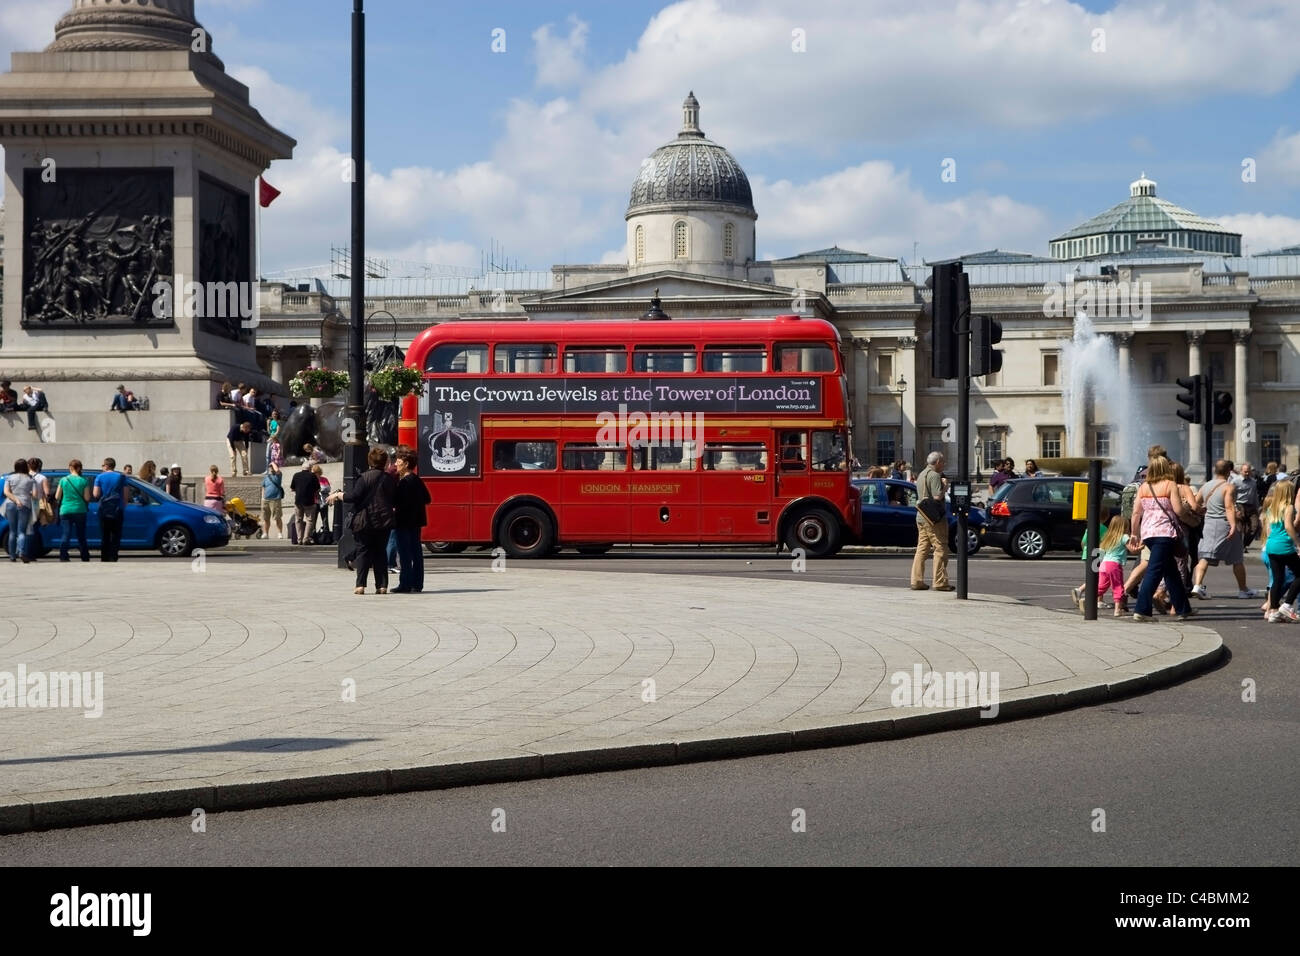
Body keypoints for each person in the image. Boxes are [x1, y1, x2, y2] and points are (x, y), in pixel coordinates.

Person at [1130, 455, 1193, 622]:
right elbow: (1178, 510)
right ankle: (1141, 610)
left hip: (1148, 534)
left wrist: (1134, 534)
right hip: (1164, 533)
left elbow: (1136, 513)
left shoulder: (1144, 487)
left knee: (1171, 572)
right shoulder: (1170, 485)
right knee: (1154, 571)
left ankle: (1183, 608)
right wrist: (1191, 518)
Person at [327, 447, 397, 594]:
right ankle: (382, 585)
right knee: (380, 553)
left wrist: (338, 495)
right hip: (384, 521)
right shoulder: (389, 479)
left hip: (365, 521)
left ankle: (360, 585)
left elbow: (353, 497)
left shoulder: (364, 478)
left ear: (369, 461)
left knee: (363, 552)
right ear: (384, 462)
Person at [1192, 459, 1257, 599]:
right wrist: (1233, 524)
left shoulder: (1206, 485)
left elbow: (1195, 504)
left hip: (1209, 524)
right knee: (1236, 558)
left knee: (1206, 556)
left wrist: (1204, 511)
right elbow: (1229, 507)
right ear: (1229, 471)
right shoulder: (1229, 487)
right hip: (1224, 524)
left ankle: (1198, 585)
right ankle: (1242, 589)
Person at [910, 451, 953, 592]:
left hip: (921, 516)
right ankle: (940, 582)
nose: (944, 464)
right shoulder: (935, 475)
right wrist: (945, 487)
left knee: (922, 549)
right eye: (943, 462)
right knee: (940, 548)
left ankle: (916, 580)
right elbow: (936, 496)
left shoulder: (922, 474)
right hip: (933, 519)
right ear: (938, 462)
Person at [391, 451, 432, 593]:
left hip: (403, 521)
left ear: (406, 464)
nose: (396, 464)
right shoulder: (417, 480)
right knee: (416, 553)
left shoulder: (403, 482)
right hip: (417, 521)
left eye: (398, 461)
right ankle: (417, 583)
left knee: (404, 554)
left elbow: (396, 501)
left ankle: (405, 584)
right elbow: (427, 498)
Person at [1261, 480, 1300, 622]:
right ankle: (1288, 605)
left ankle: (1273, 610)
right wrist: (1298, 543)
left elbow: (1269, 528)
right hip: (1285, 546)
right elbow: (1289, 527)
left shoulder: (1272, 506)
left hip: (1272, 545)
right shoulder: (1288, 507)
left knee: (1278, 579)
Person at [55, 458, 92, 561]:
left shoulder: (63, 480)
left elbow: (57, 496)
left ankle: (63, 556)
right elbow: (87, 498)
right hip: (80, 510)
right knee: (81, 535)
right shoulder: (83, 481)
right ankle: (84, 556)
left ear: (70, 468)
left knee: (66, 534)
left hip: (65, 510)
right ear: (79, 468)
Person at [92, 457, 128, 562]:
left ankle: (104, 557)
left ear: (107, 465)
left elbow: (96, 494)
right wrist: (122, 506)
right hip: (117, 509)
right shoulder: (121, 477)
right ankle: (114, 556)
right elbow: (126, 496)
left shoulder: (99, 477)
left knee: (105, 535)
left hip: (104, 510)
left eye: (103, 465)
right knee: (116, 535)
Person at [3, 459, 35, 563]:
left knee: (12, 531)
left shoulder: (9, 478)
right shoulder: (30, 479)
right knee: (21, 531)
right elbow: (34, 495)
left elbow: (6, 492)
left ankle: (12, 556)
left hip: (10, 505)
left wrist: (15, 499)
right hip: (24, 504)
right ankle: (21, 552)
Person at [26, 457, 50, 561]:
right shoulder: (42, 478)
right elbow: (47, 493)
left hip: (24, 505)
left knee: (23, 530)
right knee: (34, 530)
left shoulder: (24, 476)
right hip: (36, 506)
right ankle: (31, 554)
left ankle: (23, 551)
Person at [289, 460, 319, 545]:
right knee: (309, 520)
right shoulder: (312, 476)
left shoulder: (296, 475)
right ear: (309, 468)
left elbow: (292, 488)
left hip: (298, 501)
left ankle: (299, 539)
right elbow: (317, 489)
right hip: (309, 501)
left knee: (298, 520)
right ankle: (306, 539)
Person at [261, 462, 285, 539]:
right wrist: (262, 498)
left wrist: (273, 463)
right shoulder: (266, 477)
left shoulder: (278, 476)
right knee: (265, 518)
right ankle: (265, 533)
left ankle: (280, 533)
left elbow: (277, 470)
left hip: (275, 499)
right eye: (270, 467)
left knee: (277, 517)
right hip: (266, 500)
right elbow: (263, 487)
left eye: (272, 467)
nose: (271, 468)